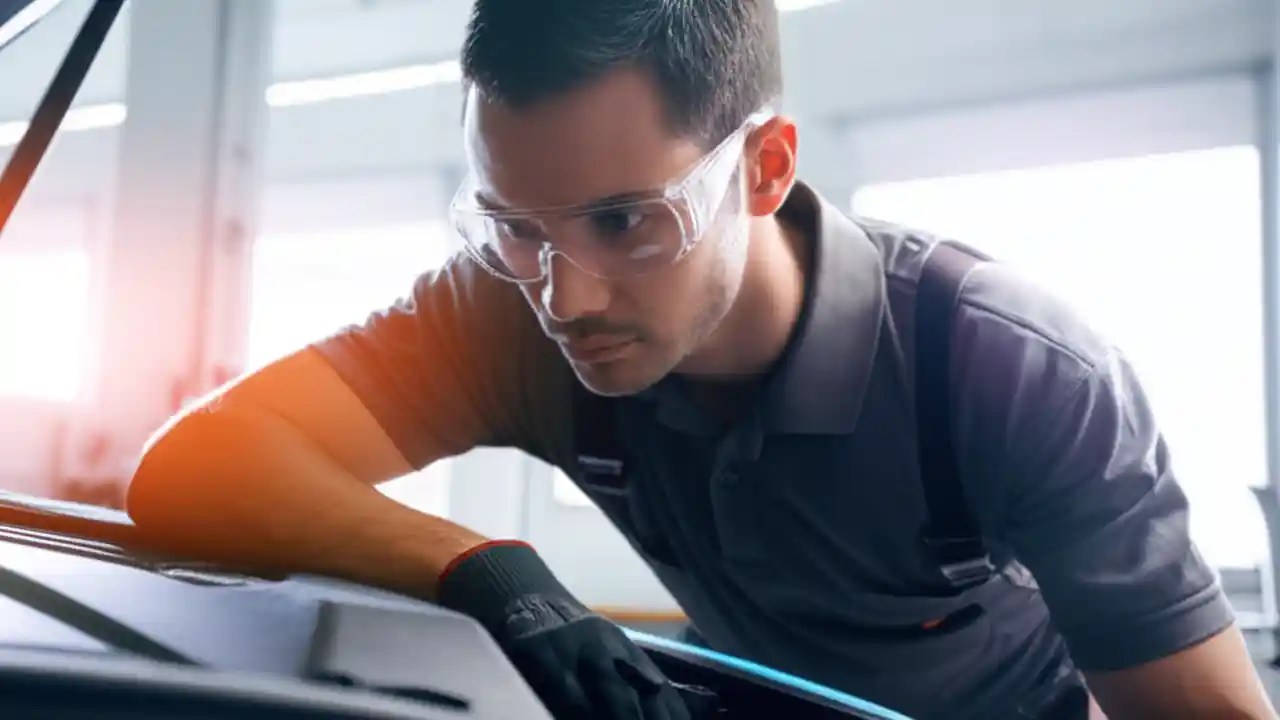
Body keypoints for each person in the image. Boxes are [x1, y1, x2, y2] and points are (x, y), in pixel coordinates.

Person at [125, 1, 1278, 718]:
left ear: (763, 169)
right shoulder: (503, 308)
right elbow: (194, 467)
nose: (563, 298)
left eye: (625, 221)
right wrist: (486, 570)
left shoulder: (1010, 371)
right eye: (514, 225)